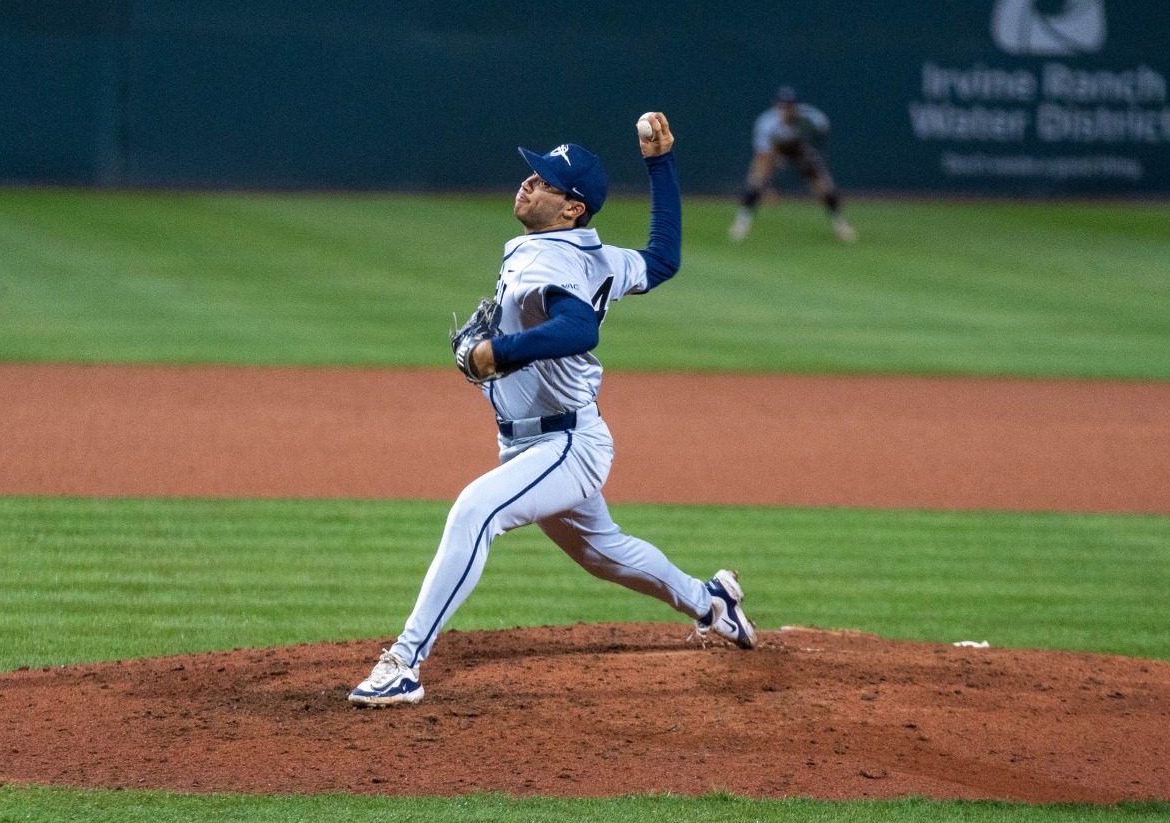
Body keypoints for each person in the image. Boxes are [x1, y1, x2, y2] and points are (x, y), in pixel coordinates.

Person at [348, 112, 757, 707]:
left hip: (565, 445)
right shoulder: (594, 255)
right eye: (531, 174)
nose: (527, 183)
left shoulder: (550, 264)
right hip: (545, 437)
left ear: (572, 208)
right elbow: (662, 259)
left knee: (474, 511)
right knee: (602, 551)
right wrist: (661, 164)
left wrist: (500, 351)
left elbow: (579, 327)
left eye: (543, 181)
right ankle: (712, 600)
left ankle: (404, 663)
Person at [729, 86, 857, 243]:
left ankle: (840, 223)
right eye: (782, 105)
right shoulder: (766, 123)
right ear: (775, 106)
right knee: (755, 180)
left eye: (790, 105)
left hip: (801, 149)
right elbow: (763, 158)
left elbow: (818, 144)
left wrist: (810, 160)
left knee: (824, 186)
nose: (786, 109)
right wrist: (766, 185)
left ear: (796, 106)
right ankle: (742, 222)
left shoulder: (814, 119)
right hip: (777, 151)